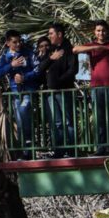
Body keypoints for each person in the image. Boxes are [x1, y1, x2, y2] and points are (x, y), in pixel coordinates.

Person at [73, 20, 109, 154]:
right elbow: (75, 49)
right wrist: (94, 48)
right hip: (96, 86)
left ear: (107, 32)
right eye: (98, 30)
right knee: (99, 118)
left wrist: (105, 48)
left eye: (103, 30)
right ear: (95, 32)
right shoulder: (91, 45)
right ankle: (101, 147)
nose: (101, 33)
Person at [0, 30, 39, 157]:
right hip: (15, 92)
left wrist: (25, 77)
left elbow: (37, 70)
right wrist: (11, 65)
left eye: (20, 41)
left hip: (28, 90)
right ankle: (25, 150)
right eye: (15, 42)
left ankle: (29, 142)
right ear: (8, 43)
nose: (18, 44)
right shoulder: (5, 57)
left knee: (24, 110)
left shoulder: (28, 53)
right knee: (19, 121)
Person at [42, 22, 79, 157]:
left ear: (59, 34)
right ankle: (59, 150)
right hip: (51, 92)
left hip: (65, 91)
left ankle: (72, 149)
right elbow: (41, 68)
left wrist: (59, 81)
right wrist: (51, 59)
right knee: (56, 122)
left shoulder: (69, 49)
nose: (49, 36)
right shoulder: (49, 50)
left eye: (51, 33)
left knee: (68, 120)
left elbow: (73, 70)